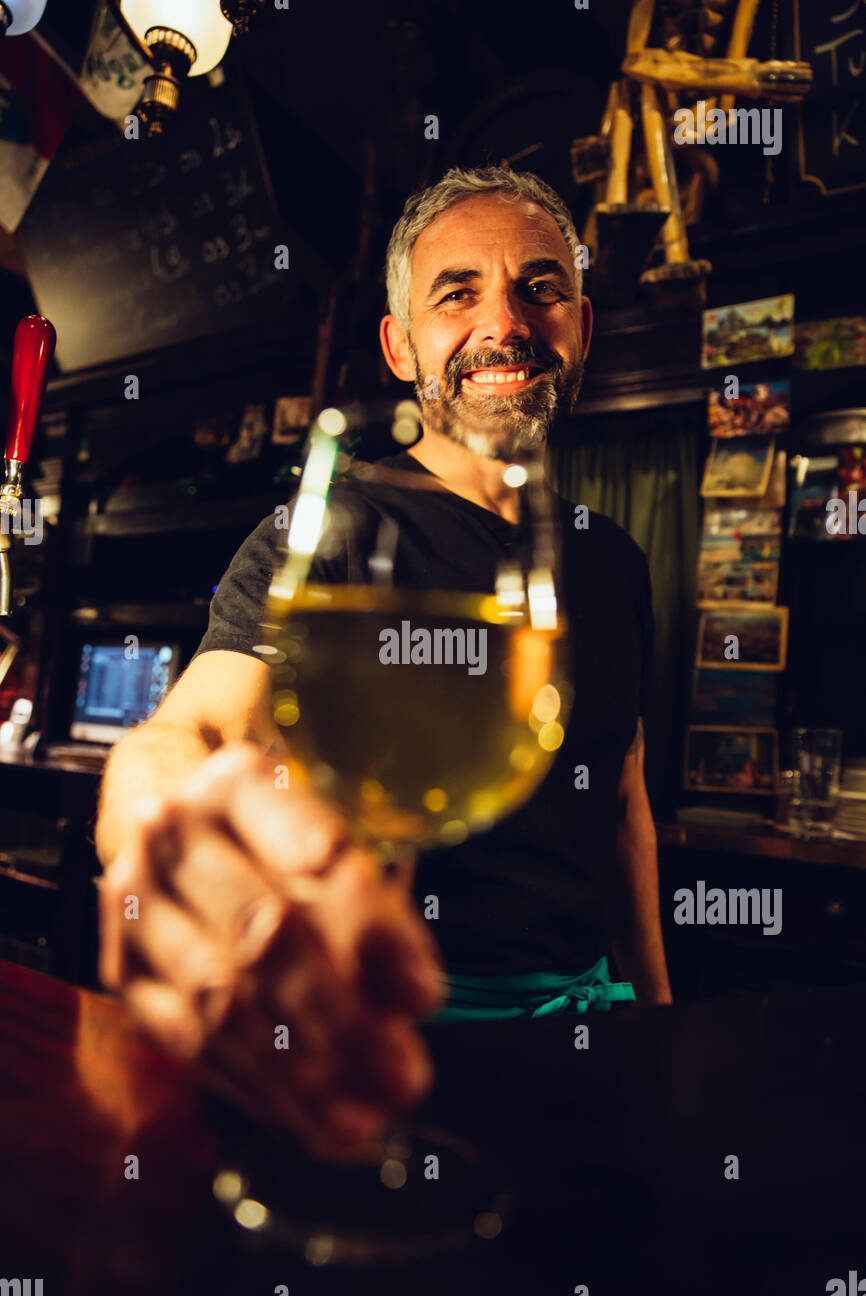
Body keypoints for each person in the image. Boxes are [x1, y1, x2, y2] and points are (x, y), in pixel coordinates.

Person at [96, 166, 672, 1159]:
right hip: (373, 1041)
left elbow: (623, 801)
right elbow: (185, 735)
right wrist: (164, 839)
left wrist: (658, 1019)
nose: (504, 321)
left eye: (539, 287)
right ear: (401, 346)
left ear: (580, 324)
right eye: (457, 292)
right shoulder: (327, 533)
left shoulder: (610, 557)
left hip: (590, 1041)